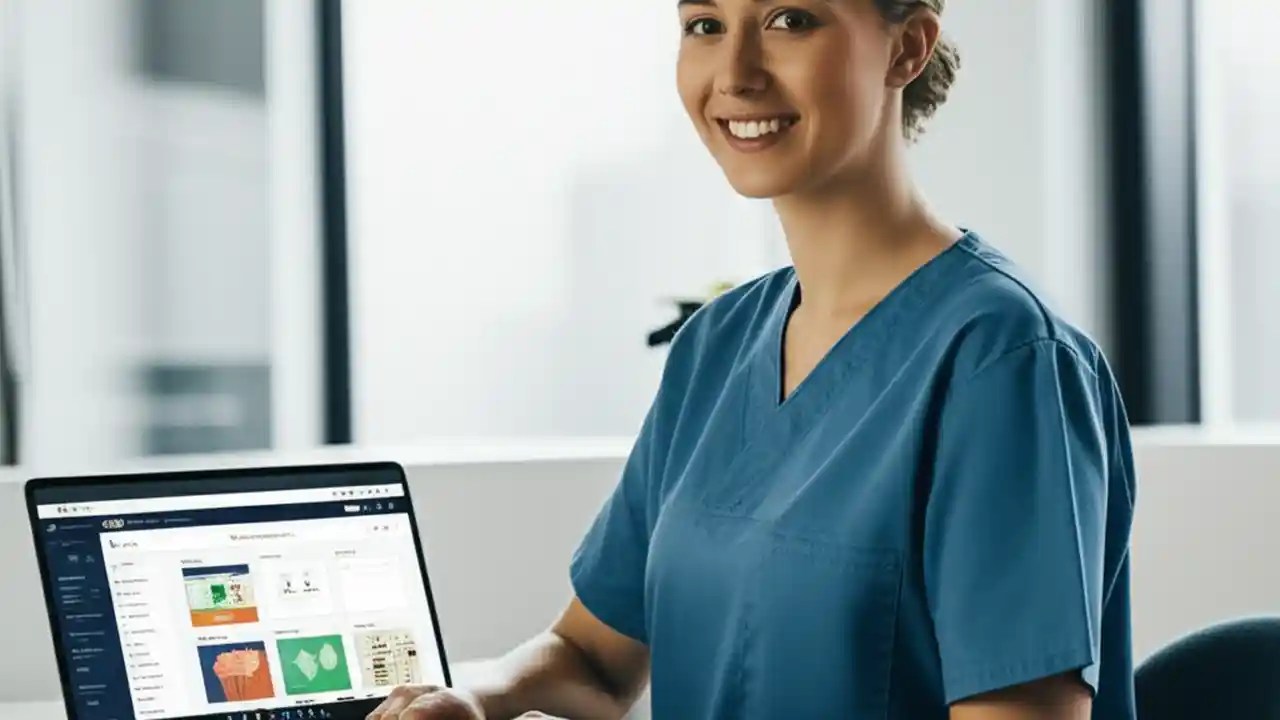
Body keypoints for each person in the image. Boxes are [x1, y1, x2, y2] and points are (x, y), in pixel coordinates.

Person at [369, 0, 1137, 717]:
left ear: (906, 48)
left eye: (788, 19)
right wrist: (474, 693)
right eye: (704, 24)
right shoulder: (719, 343)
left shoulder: (1000, 360)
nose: (734, 74)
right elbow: (591, 657)